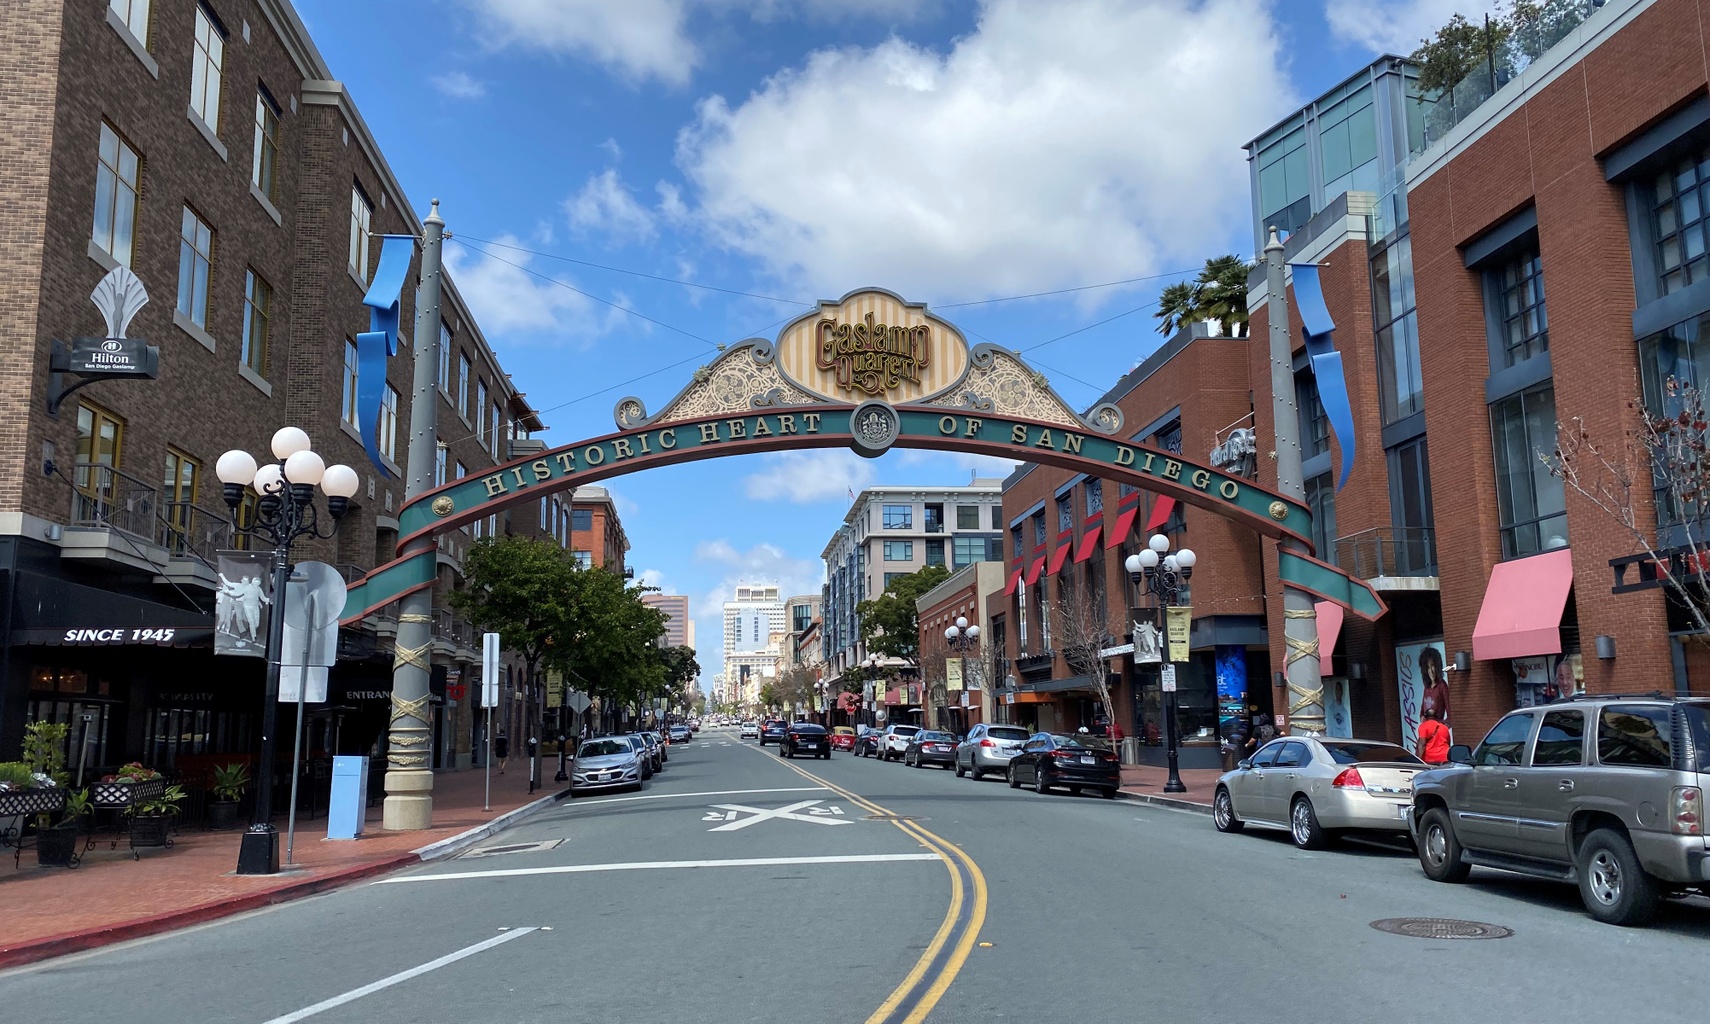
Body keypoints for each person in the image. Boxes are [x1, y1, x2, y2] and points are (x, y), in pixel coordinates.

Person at [1419, 646, 1450, 726]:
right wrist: (1423, 719)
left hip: (1437, 734)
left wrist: (1440, 727)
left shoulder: (1442, 686)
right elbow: (1422, 712)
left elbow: (1451, 717)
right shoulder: (1427, 687)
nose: (1431, 671)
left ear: (1437, 666)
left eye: (1433, 666)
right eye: (1428, 667)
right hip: (1426, 733)